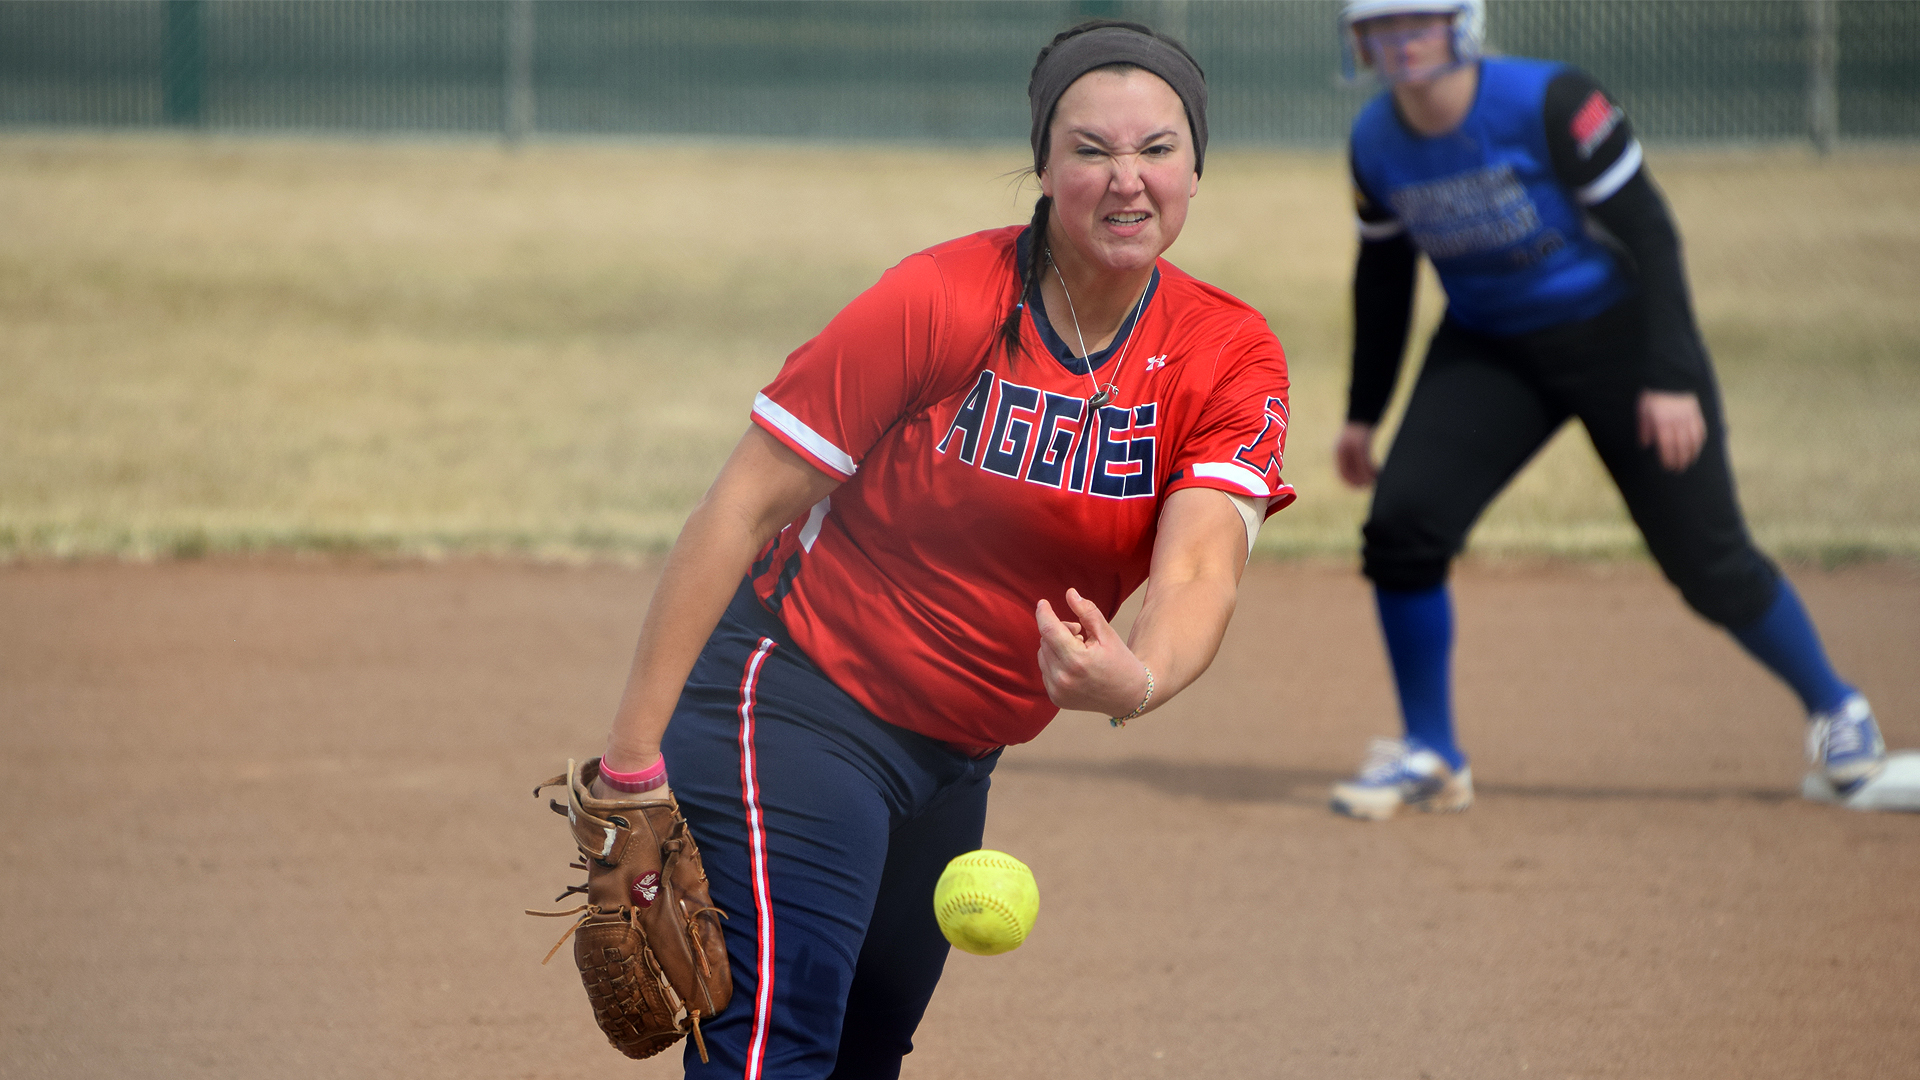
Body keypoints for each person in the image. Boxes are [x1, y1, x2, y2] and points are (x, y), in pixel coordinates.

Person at [580, 20, 1294, 1078]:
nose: (1126, 179)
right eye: (1091, 149)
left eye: (1158, 150)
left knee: (869, 1053)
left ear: (1198, 170)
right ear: (1044, 167)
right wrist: (631, 763)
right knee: (778, 1043)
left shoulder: (1227, 354)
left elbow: (1198, 567)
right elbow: (739, 509)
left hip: (959, 755)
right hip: (796, 696)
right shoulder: (942, 299)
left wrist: (1137, 677)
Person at [1327, 0, 1889, 820]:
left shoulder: (1552, 101)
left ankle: (1839, 708)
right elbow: (1382, 281)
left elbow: (1651, 233)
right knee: (1403, 525)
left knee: (1708, 561)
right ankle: (1433, 752)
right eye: (1380, 28)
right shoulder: (1375, 142)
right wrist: (1361, 414)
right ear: (1358, 42)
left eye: (1418, 21)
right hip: (1491, 345)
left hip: (1620, 338)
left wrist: (1669, 378)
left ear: (1463, 24)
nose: (1399, 41)